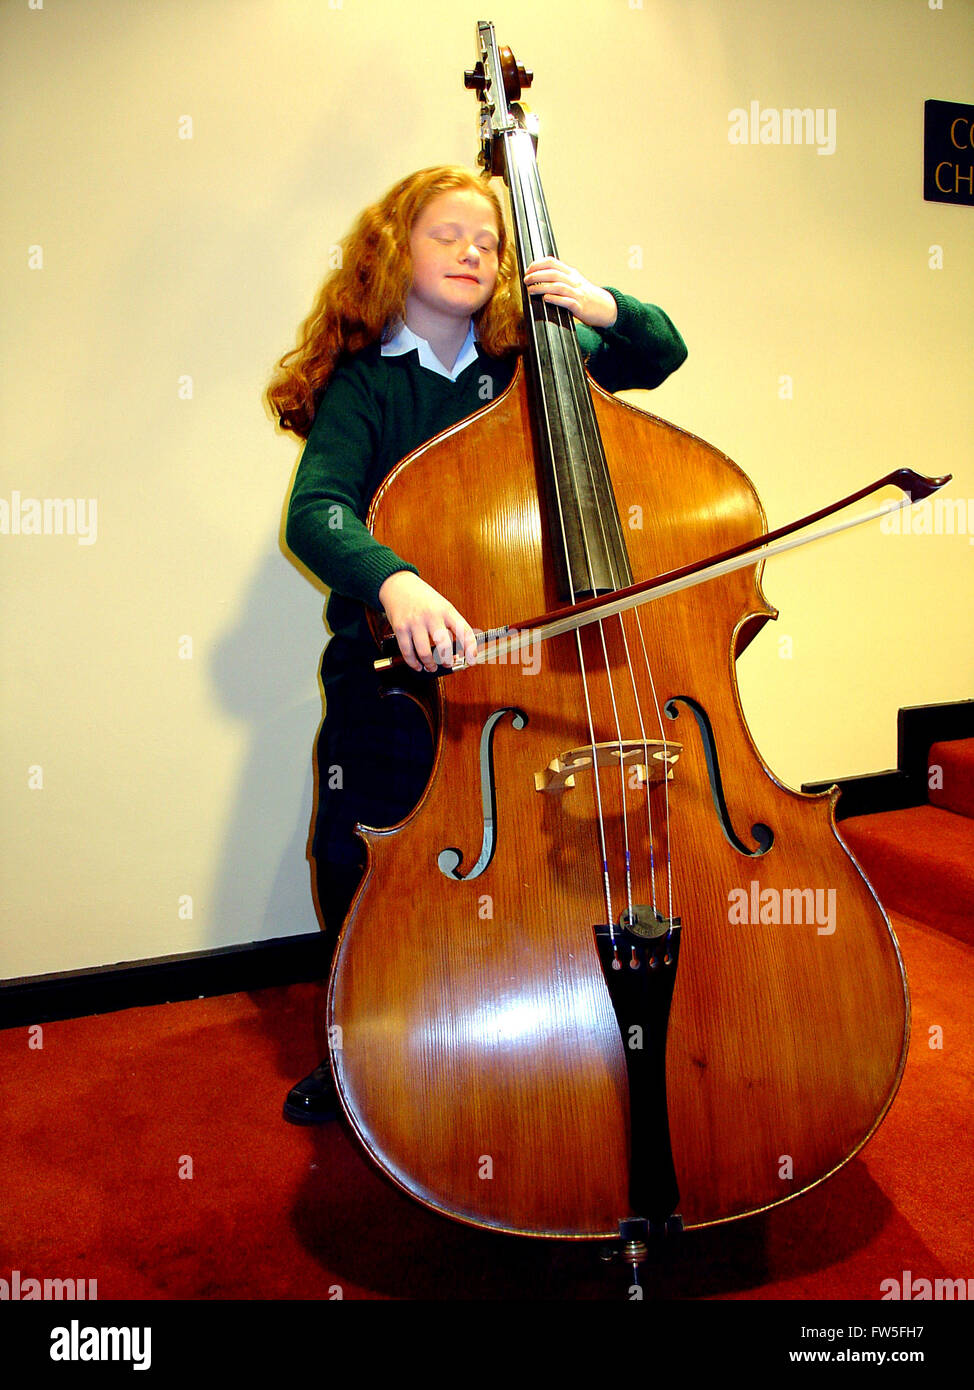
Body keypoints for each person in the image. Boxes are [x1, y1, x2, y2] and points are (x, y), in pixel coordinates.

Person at [265, 164, 687, 1122]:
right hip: (397, 674)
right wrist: (397, 579)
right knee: (358, 848)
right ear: (393, 253)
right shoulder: (366, 386)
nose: (472, 252)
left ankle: (519, 1012)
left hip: (529, 666)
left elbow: (661, 354)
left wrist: (604, 305)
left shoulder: (533, 363)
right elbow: (316, 513)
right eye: (447, 234)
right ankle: (352, 1037)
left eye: (490, 242)